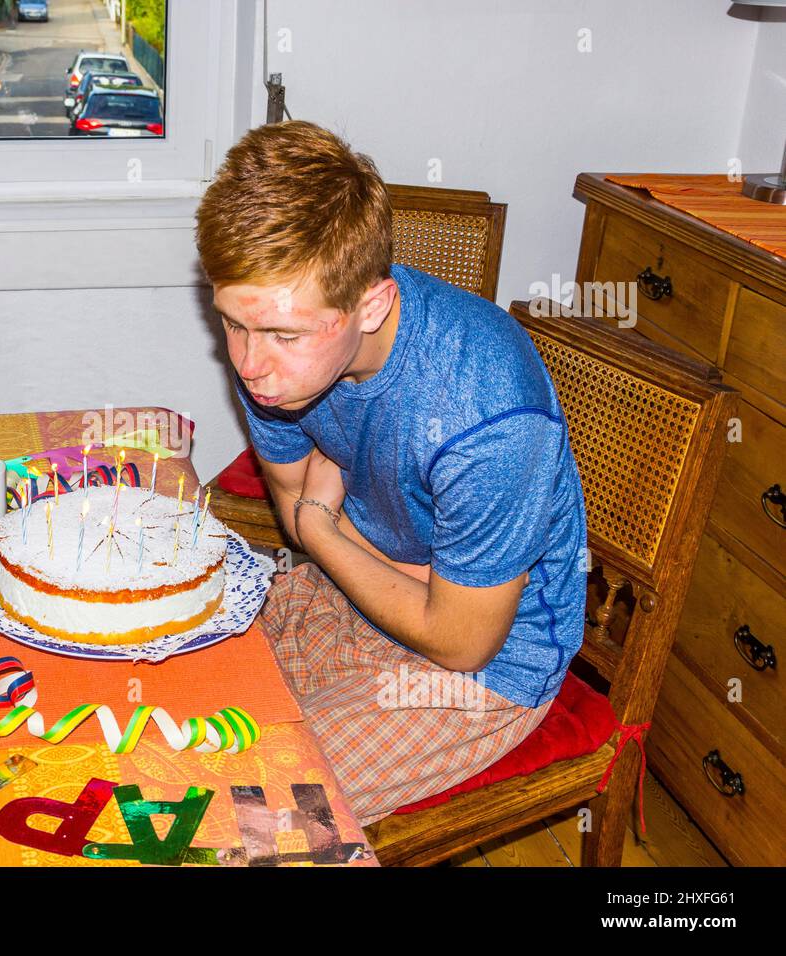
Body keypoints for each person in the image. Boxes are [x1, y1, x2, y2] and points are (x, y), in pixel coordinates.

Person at [194, 120, 588, 826]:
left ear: (371, 304)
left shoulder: (488, 412)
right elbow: (291, 506)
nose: (249, 364)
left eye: (283, 335)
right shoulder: (275, 361)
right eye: (232, 323)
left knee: (242, 816)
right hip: (359, 590)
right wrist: (325, 535)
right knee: (147, 685)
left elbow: (464, 641)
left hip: (486, 671)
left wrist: (323, 530)